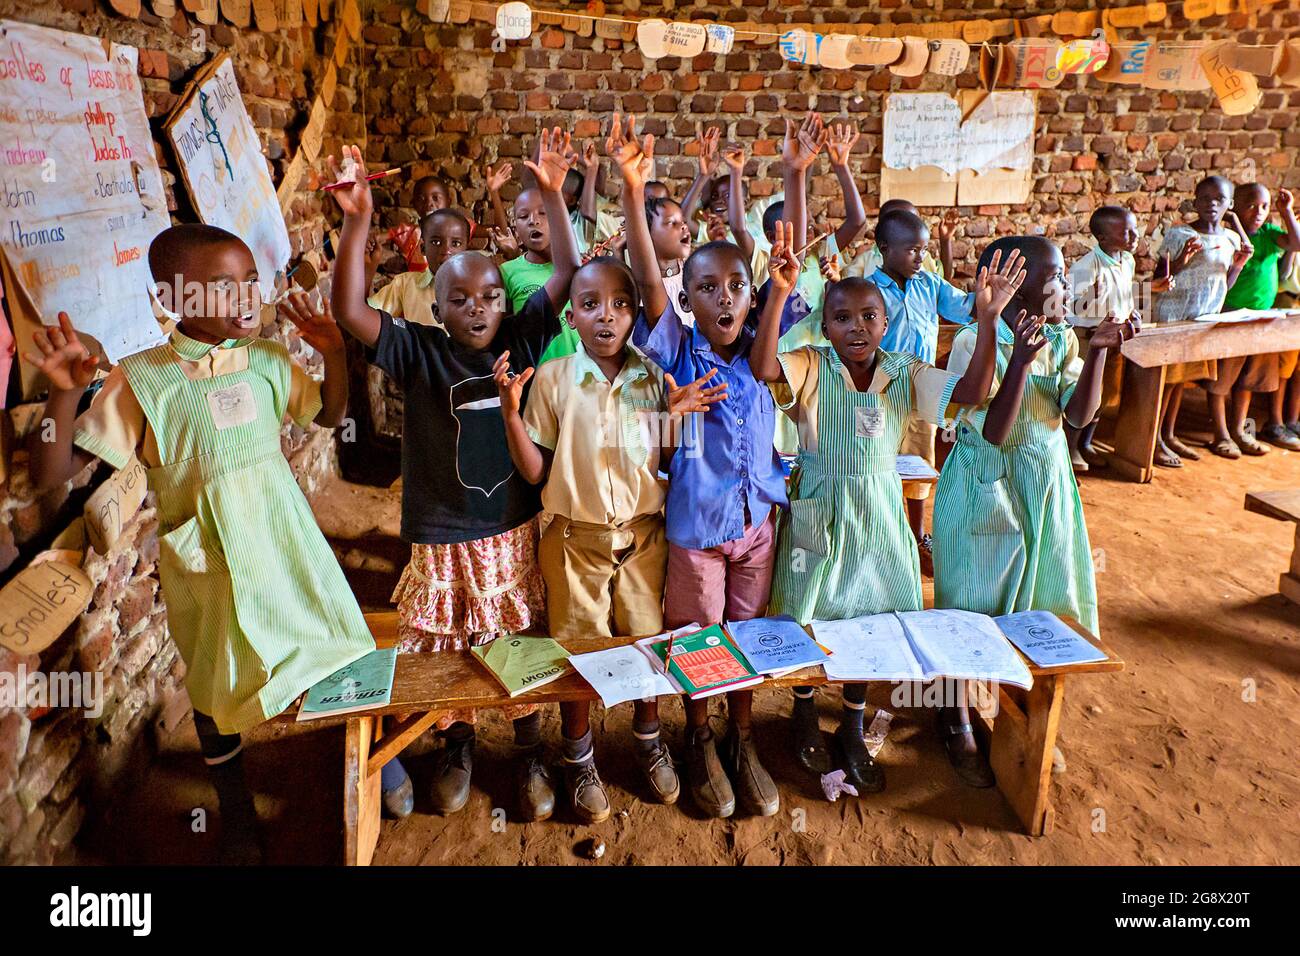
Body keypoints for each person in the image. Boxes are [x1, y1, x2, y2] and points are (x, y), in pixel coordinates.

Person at [25, 224, 375, 864]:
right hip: (208, 568)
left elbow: (327, 416)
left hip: (285, 543)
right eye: (221, 285)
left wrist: (334, 355)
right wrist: (64, 389)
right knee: (216, 691)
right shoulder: (143, 380)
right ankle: (235, 807)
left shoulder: (269, 361)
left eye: (249, 280)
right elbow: (50, 472)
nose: (246, 296)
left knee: (333, 644)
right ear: (169, 296)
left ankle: (378, 765)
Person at [326, 132, 579, 823]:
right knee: (449, 646)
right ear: (435, 310)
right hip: (441, 536)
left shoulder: (521, 339)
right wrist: (357, 223)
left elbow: (564, 274)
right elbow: (350, 311)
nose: (477, 308)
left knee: (520, 637)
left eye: (490, 295)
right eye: (460, 299)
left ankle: (528, 745)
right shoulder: (419, 351)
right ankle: (457, 740)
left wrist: (554, 196)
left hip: (511, 529)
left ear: (505, 303)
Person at [751, 245, 1027, 793]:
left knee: (870, 625)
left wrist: (990, 319)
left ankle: (852, 724)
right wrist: (780, 292)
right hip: (819, 510)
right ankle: (804, 713)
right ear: (824, 325)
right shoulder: (811, 364)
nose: (857, 327)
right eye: (842, 318)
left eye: (869, 316)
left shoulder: (903, 373)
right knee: (808, 615)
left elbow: (970, 393)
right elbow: (762, 367)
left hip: (879, 515)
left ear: (887, 321)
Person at [616, 113, 805, 819]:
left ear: (751, 295)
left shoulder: (764, 338)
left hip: (759, 522)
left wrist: (795, 183)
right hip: (699, 532)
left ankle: (741, 734)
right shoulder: (679, 350)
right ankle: (697, 735)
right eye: (707, 288)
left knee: (748, 636)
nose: (724, 296)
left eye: (736, 285)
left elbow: (784, 263)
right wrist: (634, 190)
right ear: (687, 300)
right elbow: (645, 272)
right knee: (700, 640)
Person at [495, 249, 720, 821]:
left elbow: (665, 461)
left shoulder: (654, 376)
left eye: (621, 305)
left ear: (636, 312)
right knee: (580, 652)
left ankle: (648, 738)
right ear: (571, 316)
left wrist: (675, 416)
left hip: (645, 537)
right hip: (574, 542)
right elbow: (535, 472)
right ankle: (578, 754)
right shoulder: (554, 378)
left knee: (647, 643)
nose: (606, 317)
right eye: (590, 305)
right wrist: (509, 414)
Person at [934, 236, 1135, 645]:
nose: (1068, 287)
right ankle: (958, 698)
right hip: (987, 483)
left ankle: (1027, 679)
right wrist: (1021, 364)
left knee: (1046, 584)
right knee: (979, 589)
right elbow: (994, 434)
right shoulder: (973, 341)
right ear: (1022, 292)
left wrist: (1097, 351)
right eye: (1059, 277)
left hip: (1046, 478)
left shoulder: (1061, 338)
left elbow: (1078, 416)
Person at [868, 208, 975, 573]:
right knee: (876, 462)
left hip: (921, 391)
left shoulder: (930, 284)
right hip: (879, 392)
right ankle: (880, 536)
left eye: (925, 249)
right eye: (912, 249)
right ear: (884, 247)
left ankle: (916, 535)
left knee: (920, 464)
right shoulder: (869, 290)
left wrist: (991, 292)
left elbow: (965, 309)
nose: (921, 257)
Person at [1152, 175, 1252, 461]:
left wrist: (1240, 264)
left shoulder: (1231, 238)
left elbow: (1225, 283)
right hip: (1175, 315)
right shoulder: (1180, 235)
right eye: (1205, 198)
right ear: (1195, 201)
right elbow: (1160, 278)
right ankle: (1155, 438)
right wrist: (1182, 258)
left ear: (1229, 205)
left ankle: (1169, 435)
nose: (1211, 204)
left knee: (1181, 381)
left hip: (1204, 317)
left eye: (1219, 199)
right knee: (1166, 381)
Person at [1220, 183, 1300, 451]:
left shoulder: (1268, 234)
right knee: (1223, 377)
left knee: (1249, 377)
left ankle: (1239, 430)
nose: (1258, 212)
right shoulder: (1229, 236)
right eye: (1251, 205)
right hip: (1230, 313)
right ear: (1235, 206)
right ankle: (1221, 433)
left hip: (1260, 316)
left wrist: (1286, 211)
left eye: (1265, 206)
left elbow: (1296, 244)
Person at [1065, 204, 1143, 471]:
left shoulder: (1127, 260)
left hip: (1115, 337)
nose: (1134, 237)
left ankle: (1086, 443)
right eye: (1127, 232)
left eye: (1134, 230)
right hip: (1088, 339)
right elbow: (1069, 309)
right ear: (1103, 239)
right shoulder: (1085, 267)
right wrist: (1089, 296)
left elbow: (1125, 296)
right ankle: (1071, 447)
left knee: (1106, 394)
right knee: (1085, 392)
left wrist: (1132, 313)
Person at [367, 208, 471, 327]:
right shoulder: (405, 284)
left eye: (456, 243)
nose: (446, 251)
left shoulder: (478, 287)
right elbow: (366, 316)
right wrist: (370, 264)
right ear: (422, 248)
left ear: (466, 251)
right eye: (436, 242)